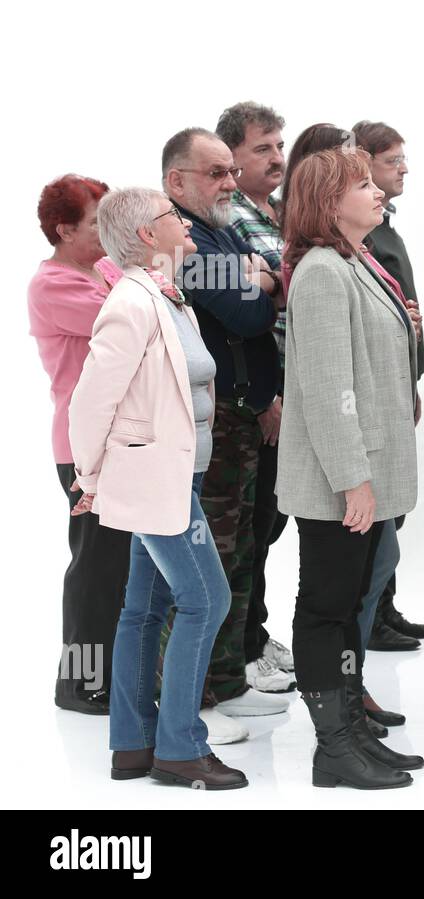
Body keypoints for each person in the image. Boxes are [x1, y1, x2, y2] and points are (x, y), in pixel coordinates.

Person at [69, 187, 246, 789]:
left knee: (145, 608)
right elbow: (90, 401)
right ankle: (179, 748)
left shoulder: (168, 296)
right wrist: (90, 478)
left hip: (177, 476)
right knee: (207, 600)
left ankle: (133, 744)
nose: (185, 223)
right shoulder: (131, 303)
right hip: (154, 482)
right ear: (148, 235)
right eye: (172, 216)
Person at [277, 147, 424, 789]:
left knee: (348, 606)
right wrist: (352, 479)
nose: (378, 192)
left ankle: (352, 729)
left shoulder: (355, 262)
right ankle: (332, 746)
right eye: (363, 184)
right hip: (338, 483)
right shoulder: (321, 273)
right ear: (329, 203)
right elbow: (327, 388)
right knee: (327, 608)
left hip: (365, 473)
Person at [158, 128, 289, 734]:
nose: (230, 183)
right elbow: (249, 312)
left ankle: (229, 680)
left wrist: (260, 276)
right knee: (209, 562)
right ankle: (198, 700)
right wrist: (258, 280)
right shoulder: (181, 239)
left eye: (231, 172)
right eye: (216, 173)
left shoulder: (221, 231)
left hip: (241, 418)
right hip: (213, 422)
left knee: (240, 555)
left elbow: (267, 287)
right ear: (176, 181)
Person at [30, 174, 132, 715]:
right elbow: (131, 324)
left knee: (120, 565)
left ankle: (118, 673)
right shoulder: (52, 285)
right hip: (83, 448)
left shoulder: (106, 269)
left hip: (120, 441)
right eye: (96, 223)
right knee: (95, 568)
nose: (107, 232)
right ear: (65, 230)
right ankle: (80, 683)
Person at [215, 101, 296, 694]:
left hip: (289, 387)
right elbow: (248, 303)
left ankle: (254, 632)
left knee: (268, 522)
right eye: (262, 148)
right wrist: (268, 398)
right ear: (232, 158)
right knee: (251, 527)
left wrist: (269, 277)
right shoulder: (231, 218)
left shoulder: (279, 211)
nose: (276, 157)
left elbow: (278, 279)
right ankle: (241, 649)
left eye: (279, 146)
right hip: (263, 395)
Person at [352, 119, 424, 659]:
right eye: (391, 161)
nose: (403, 169)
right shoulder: (362, 239)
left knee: (392, 512)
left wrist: (411, 380)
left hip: (400, 385)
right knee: (378, 514)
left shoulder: (385, 229)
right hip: (379, 394)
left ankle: (384, 608)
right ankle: (372, 616)